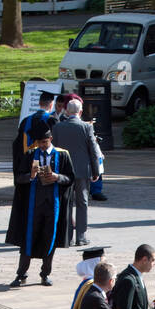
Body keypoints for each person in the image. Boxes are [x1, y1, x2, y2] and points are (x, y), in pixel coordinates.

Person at [6, 121, 74, 287]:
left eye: (45, 142)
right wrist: (31, 176)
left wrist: (57, 177)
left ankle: (45, 274)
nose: (42, 146)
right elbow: (18, 178)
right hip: (32, 206)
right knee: (28, 239)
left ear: (50, 139)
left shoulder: (63, 155)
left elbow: (71, 178)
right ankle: (21, 274)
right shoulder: (30, 155)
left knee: (49, 238)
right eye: (39, 143)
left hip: (53, 205)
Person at [52, 97, 101, 246]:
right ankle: (81, 236)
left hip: (64, 171)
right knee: (82, 203)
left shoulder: (58, 127)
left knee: (66, 203)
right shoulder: (86, 127)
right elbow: (93, 151)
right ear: (80, 112)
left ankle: (67, 237)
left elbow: (54, 150)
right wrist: (96, 171)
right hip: (82, 170)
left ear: (67, 111)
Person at [12, 91, 57, 169]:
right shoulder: (52, 120)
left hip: (27, 161)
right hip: (47, 162)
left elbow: (18, 143)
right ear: (51, 105)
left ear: (39, 103)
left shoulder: (25, 121)